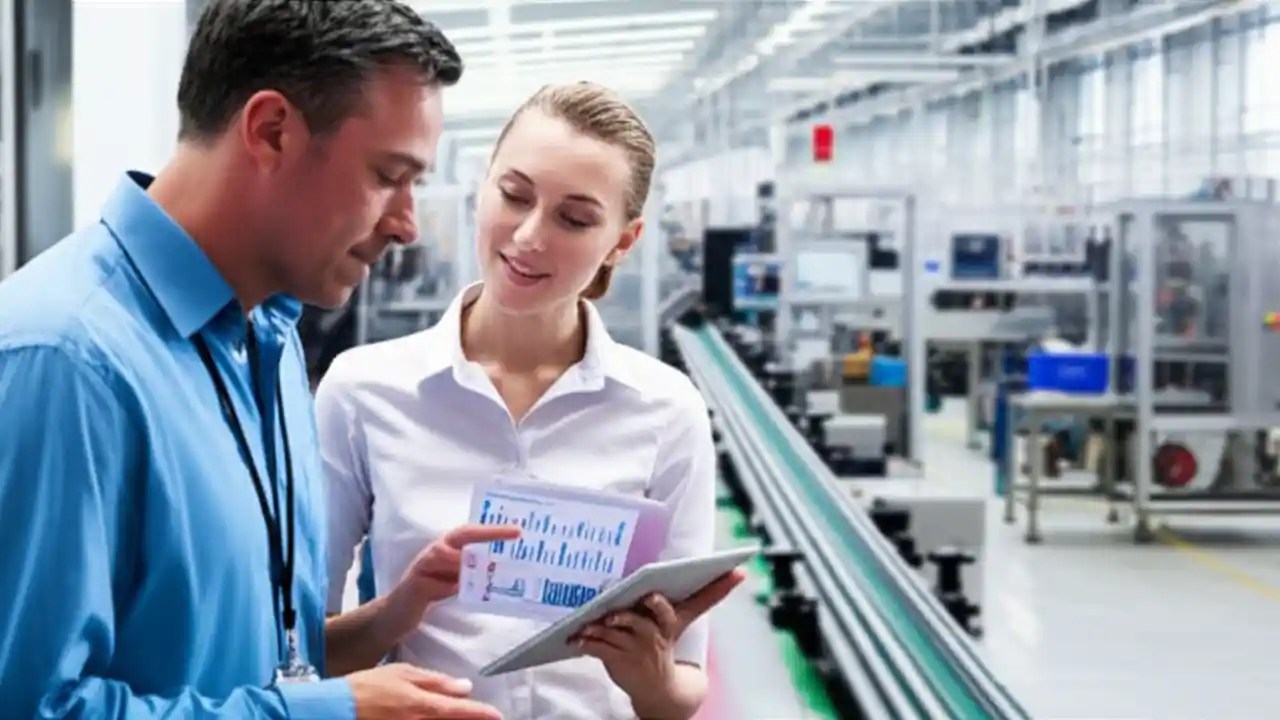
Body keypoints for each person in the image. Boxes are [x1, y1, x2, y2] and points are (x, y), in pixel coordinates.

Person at [0, 1, 509, 718]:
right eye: (387, 175)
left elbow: (236, 662)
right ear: (272, 131)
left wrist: (385, 622)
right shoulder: (65, 362)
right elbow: (32, 706)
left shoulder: (268, 340)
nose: (407, 226)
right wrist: (329, 713)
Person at [316, 82, 746, 720]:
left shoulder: (665, 408)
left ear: (623, 242)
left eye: (575, 219)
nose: (528, 235)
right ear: (482, 187)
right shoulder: (364, 391)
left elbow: (681, 689)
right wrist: (397, 611)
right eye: (514, 195)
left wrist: (649, 678)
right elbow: (303, 656)